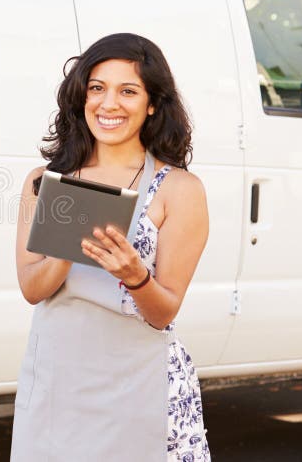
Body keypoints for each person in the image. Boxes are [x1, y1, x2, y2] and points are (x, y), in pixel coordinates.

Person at [11, 33, 211, 461]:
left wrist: (134, 275)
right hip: (55, 384)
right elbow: (32, 289)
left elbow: (163, 313)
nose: (109, 103)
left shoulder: (179, 190)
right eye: (97, 88)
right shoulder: (44, 182)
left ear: (153, 103)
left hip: (138, 384)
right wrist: (67, 247)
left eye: (128, 91)